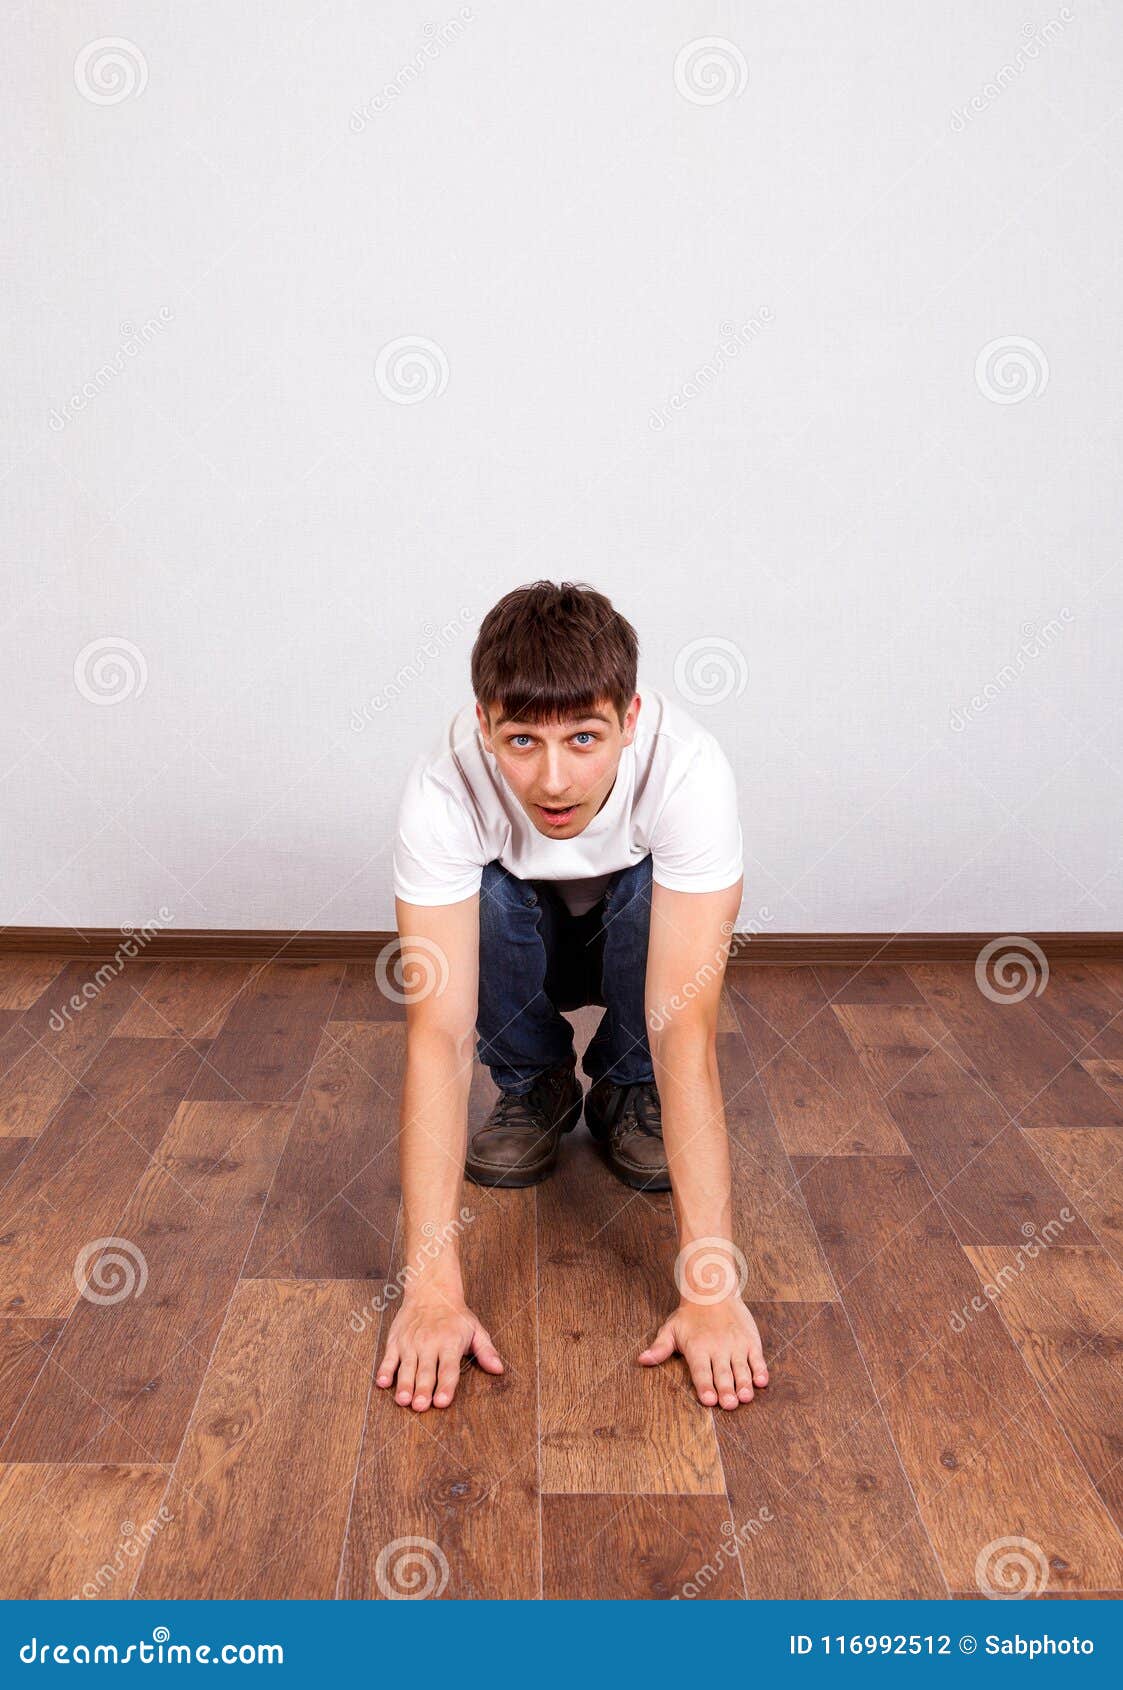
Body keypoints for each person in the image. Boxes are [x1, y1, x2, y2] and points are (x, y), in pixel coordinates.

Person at [375, 581, 769, 1416]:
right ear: (484, 724)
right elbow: (436, 1038)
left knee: (651, 894)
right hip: (520, 955)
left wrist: (709, 1291)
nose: (553, 780)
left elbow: (685, 1033)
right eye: (521, 741)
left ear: (629, 719)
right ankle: (537, 1085)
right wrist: (432, 1294)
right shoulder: (442, 787)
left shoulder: (688, 770)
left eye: (584, 738)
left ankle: (625, 1091)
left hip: (636, 948)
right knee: (478, 895)